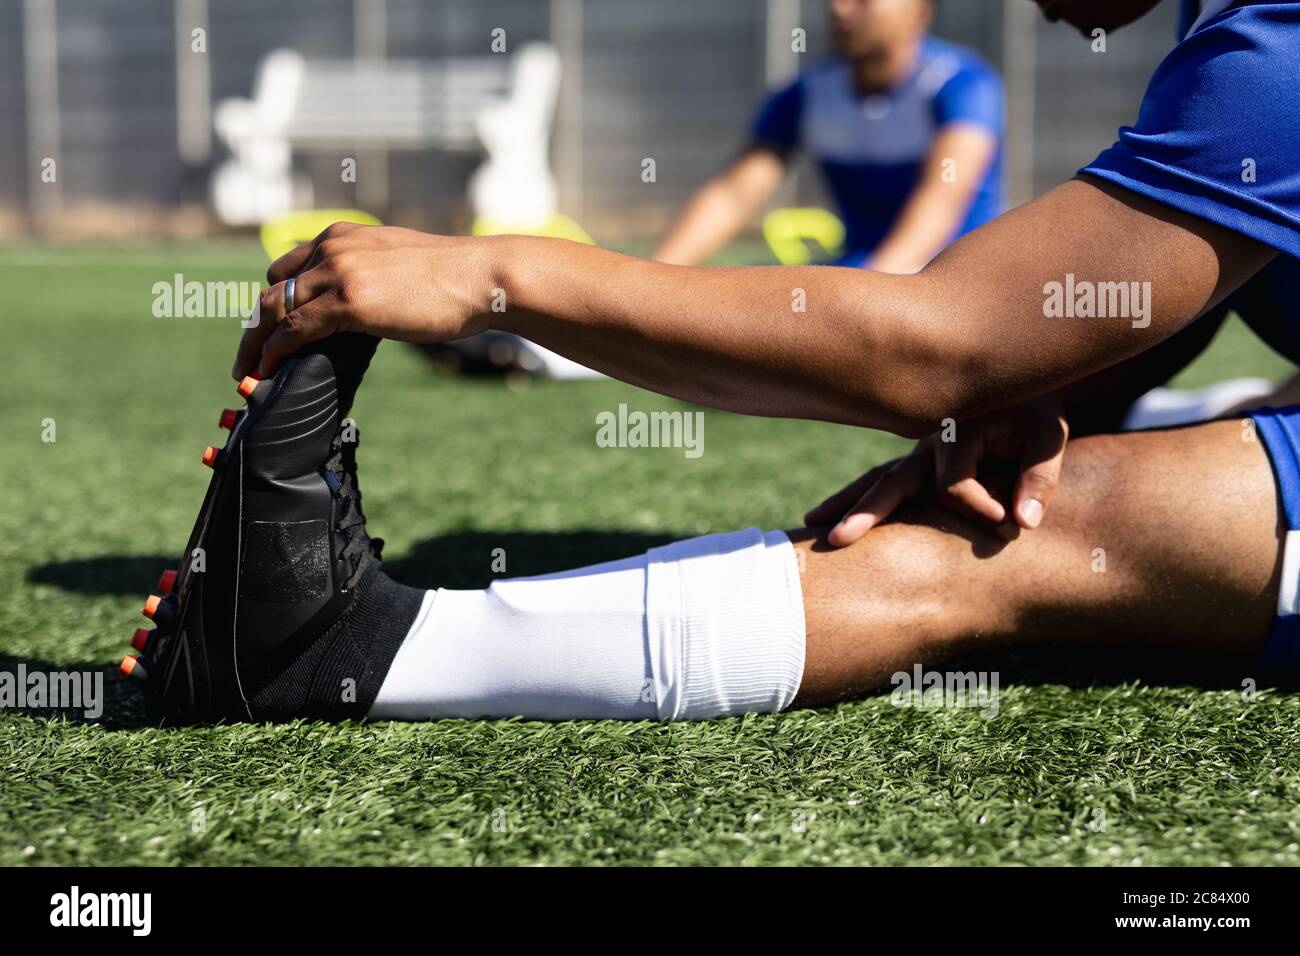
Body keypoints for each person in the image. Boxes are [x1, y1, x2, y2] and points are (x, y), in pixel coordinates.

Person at [129, 0, 1300, 722]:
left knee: (1004, 535)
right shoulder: (1221, 24)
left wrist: (500, 276)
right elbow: (1180, 279)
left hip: (935, 292)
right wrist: (1028, 394)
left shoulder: (1268, 39)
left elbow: (937, 337)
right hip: (948, 298)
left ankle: (336, 652)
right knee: (1002, 473)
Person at [653, 0, 1003, 273]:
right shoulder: (807, 94)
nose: (839, 8)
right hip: (859, 273)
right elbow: (734, 194)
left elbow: (942, 198)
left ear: (918, 12)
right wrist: (652, 284)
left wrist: (868, 297)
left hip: (956, 285)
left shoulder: (962, 85)